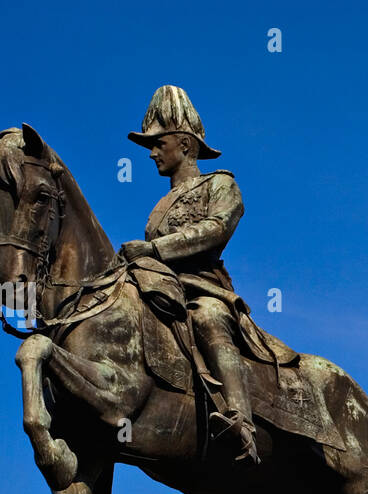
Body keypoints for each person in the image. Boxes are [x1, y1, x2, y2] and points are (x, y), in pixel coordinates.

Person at [119, 85, 295, 464]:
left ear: (184, 144)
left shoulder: (221, 184)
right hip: (161, 287)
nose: (151, 153)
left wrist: (153, 249)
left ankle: (240, 423)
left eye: (157, 143)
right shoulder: (158, 208)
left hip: (203, 289)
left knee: (210, 319)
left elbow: (216, 229)